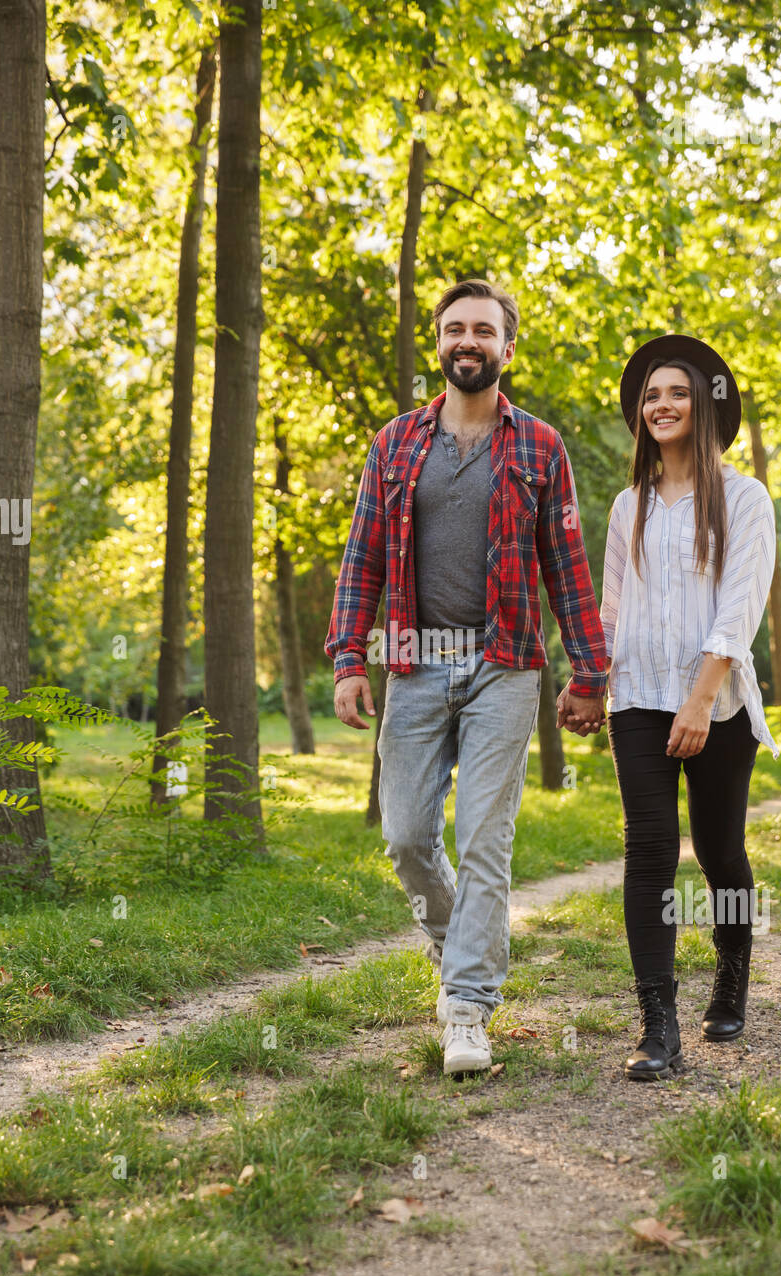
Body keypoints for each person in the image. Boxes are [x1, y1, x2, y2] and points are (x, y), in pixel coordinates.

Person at [326, 278, 606, 1075]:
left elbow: (568, 568)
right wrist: (351, 659)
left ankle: (468, 1007)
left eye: (483, 330)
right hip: (416, 663)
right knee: (407, 834)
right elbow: (363, 557)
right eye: (455, 330)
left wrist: (589, 673)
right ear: (440, 345)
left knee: (486, 837)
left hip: (504, 663)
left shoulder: (540, 447)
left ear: (507, 348)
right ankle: (462, 949)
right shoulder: (396, 443)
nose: (468, 342)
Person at [602, 333, 779, 1080]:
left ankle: (731, 976)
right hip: (637, 697)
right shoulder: (627, 505)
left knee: (719, 852)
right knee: (649, 850)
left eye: (676, 393)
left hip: (719, 704)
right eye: (650, 396)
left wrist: (703, 700)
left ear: (704, 407)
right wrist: (584, 683)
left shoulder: (743, 497)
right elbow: (611, 608)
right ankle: (658, 1023)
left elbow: (740, 607)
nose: (662, 404)